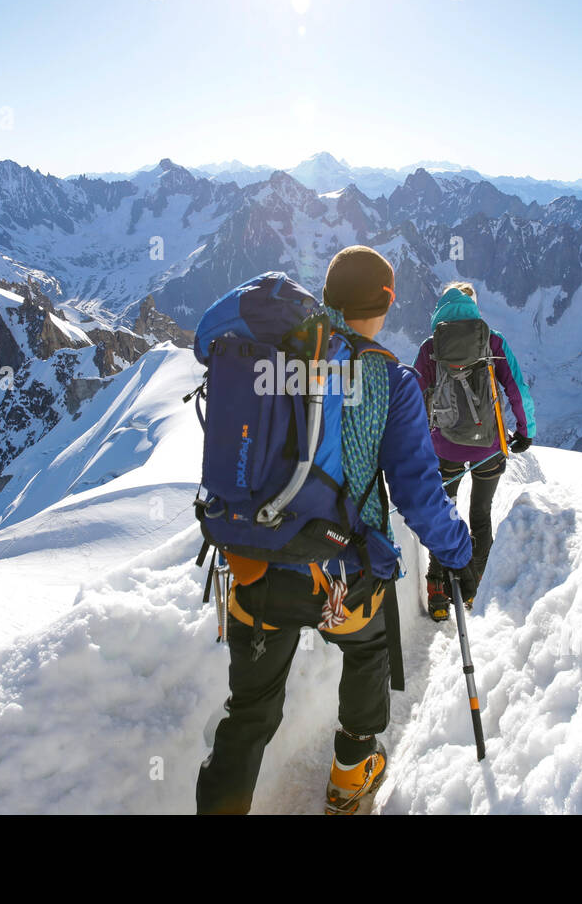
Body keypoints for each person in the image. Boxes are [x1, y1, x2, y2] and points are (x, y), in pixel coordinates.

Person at [195, 247, 477, 815]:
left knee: (248, 710)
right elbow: (419, 496)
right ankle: (351, 777)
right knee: (367, 650)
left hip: (255, 566)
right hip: (340, 575)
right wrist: (456, 550)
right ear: (387, 302)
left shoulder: (279, 358)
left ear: (326, 300)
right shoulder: (391, 380)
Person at [414, 281, 536, 620]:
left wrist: (418, 441)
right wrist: (526, 432)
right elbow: (517, 387)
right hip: (488, 447)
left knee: (445, 514)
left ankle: (438, 590)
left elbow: (415, 394)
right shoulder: (491, 340)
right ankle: (474, 588)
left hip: (444, 448)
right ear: (474, 307)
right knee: (480, 515)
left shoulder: (430, 346)